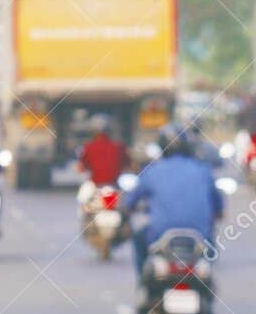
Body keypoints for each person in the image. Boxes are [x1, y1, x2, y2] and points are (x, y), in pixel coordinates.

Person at [123, 125, 224, 276]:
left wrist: (129, 210)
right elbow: (218, 207)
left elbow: (130, 202)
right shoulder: (202, 170)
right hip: (201, 236)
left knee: (138, 237)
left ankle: (142, 282)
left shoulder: (153, 171)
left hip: (158, 235)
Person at [78, 115, 129, 187]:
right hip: (115, 185)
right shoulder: (119, 146)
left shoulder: (88, 147)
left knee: (82, 197)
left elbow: (82, 167)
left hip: (96, 185)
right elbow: (127, 164)